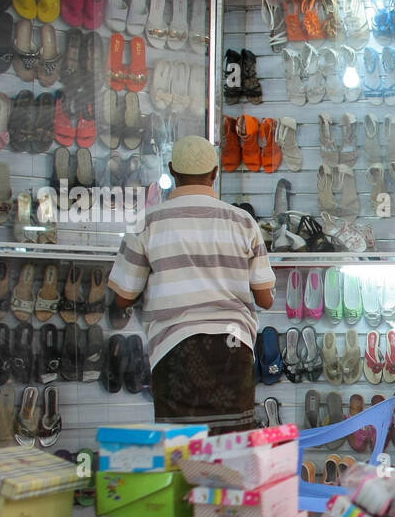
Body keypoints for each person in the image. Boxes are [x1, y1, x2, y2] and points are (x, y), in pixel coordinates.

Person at [108, 136, 275, 434]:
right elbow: (265, 299)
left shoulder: (146, 222)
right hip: (232, 346)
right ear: (215, 173)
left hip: (174, 347)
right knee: (232, 448)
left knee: (181, 450)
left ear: (172, 171)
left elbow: (123, 297)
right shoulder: (243, 222)